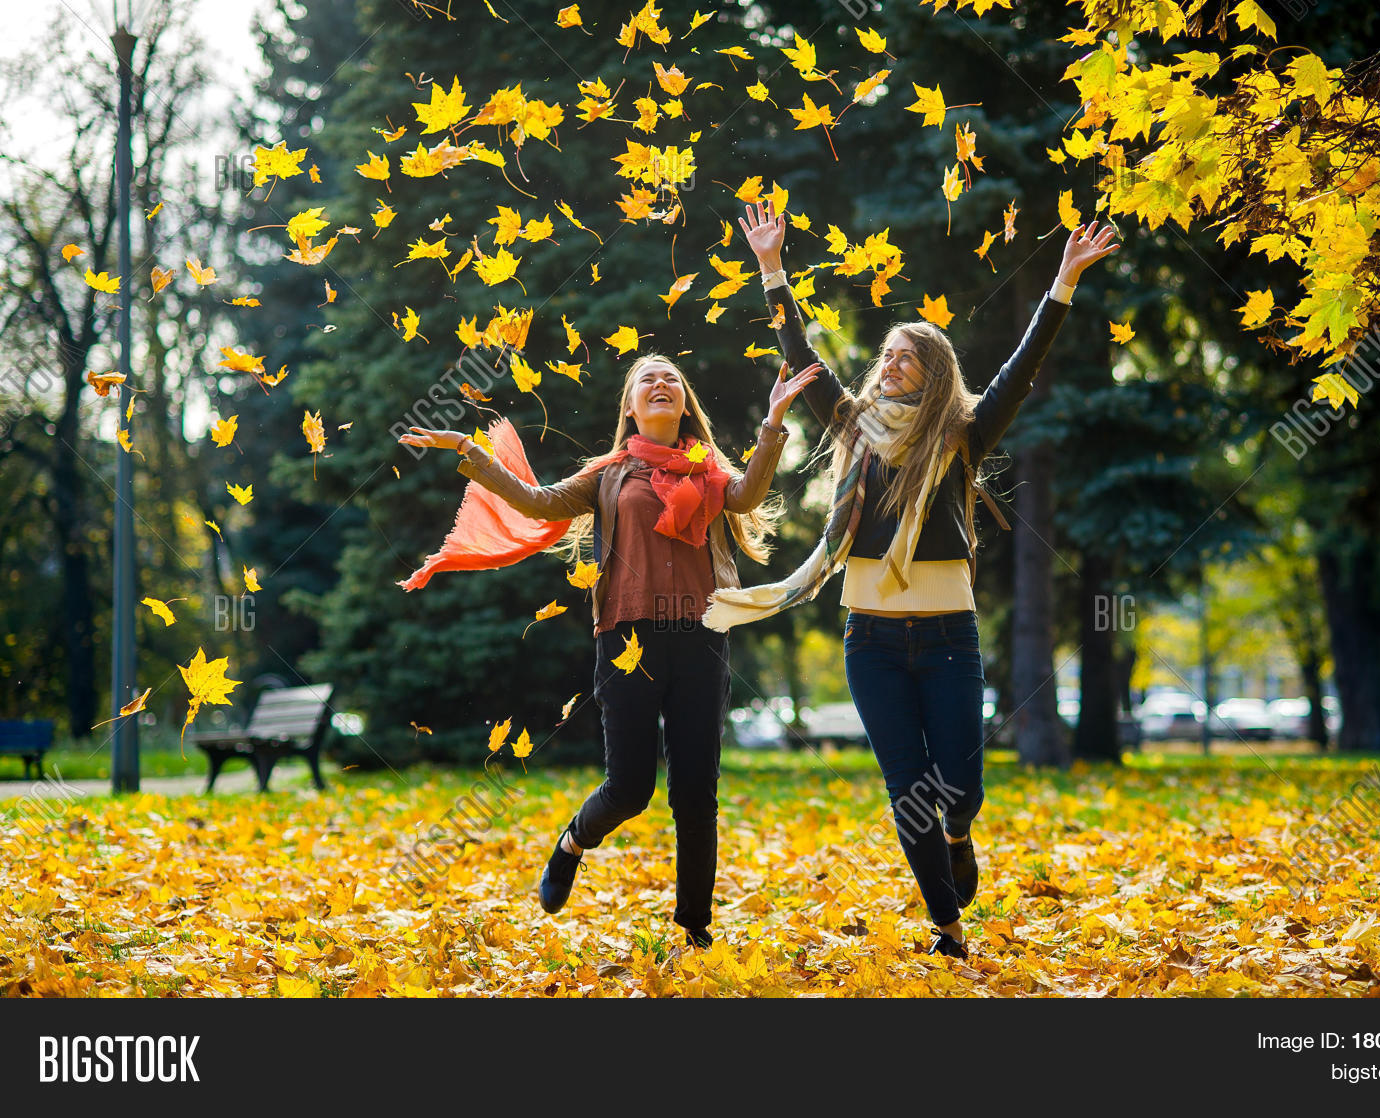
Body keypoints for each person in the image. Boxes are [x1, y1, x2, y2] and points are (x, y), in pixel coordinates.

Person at [703, 202, 1119, 959]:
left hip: (949, 638)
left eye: (905, 356)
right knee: (909, 789)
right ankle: (949, 930)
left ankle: (962, 834)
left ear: (934, 374)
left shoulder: (962, 436)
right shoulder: (855, 428)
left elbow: (1021, 371)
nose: (888, 364)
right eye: (886, 354)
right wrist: (771, 269)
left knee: (958, 789)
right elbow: (800, 357)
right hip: (872, 642)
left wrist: (1062, 281)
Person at [398, 352, 817, 948]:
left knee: (696, 793)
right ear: (631, 405)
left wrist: (774, 421)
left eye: (671, 377)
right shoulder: (610, 474)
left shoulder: (707, 470)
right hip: (627, 641)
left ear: (684, 401)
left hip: (702, 639)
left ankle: (695, 928)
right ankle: (572, 843)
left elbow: (748, 496)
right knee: (630, 789)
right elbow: (537, 500)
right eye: (647, 378)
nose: (661, 383)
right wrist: (470, 450)